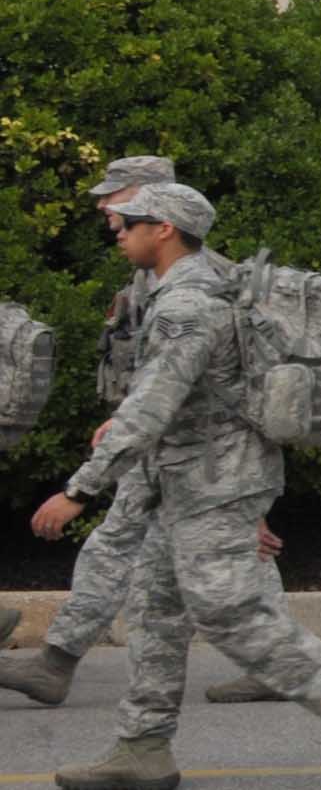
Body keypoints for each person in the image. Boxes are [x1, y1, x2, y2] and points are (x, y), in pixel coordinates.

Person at [18, 183, 321, 790]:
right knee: (154, 611)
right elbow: (172, 399)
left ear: (165, 230)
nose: (118, 231)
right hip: (181, 477)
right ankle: (142, 748)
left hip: (217, 480)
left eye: (129, 222)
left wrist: (79, 490)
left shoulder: (188, 304)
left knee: (224, 608)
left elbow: (153, 402)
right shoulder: (185, 290)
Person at [0, 157, 292, 713]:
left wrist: (243, 479)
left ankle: (58, 666)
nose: (105, 208)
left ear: (161, 206)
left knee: (121, 548)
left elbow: (236, 381)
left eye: (119, 197)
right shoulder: (151, 273)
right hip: (164, 442)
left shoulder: (203, 281)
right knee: (144, 551)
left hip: (197, 446)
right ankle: (276, 665)